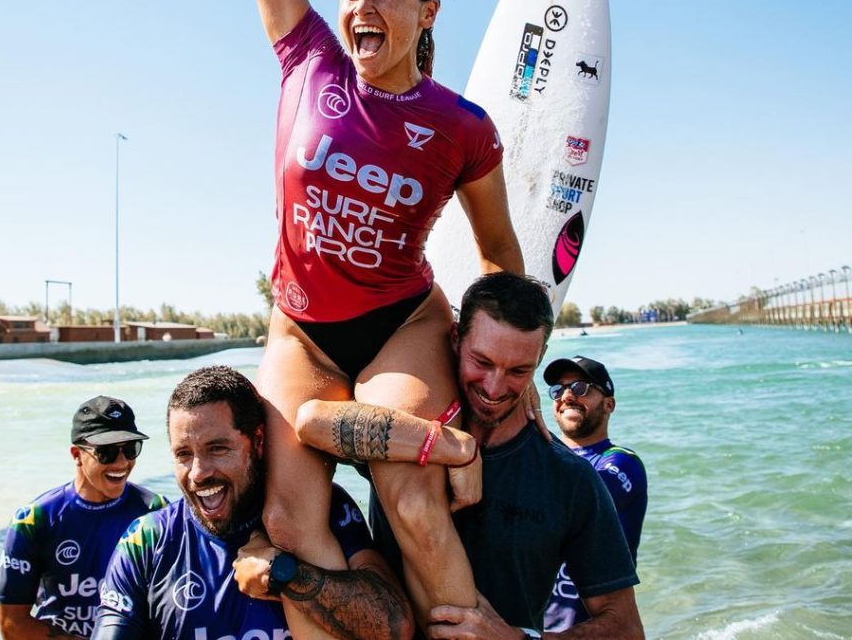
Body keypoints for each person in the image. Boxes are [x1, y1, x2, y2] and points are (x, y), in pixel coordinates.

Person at [212, 0, 524, 632]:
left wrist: (510, 375)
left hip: (400, 323)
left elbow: (499, 256)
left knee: (412, 498)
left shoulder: (460, 125)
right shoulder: (306, 60)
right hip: (302, 327)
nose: (360, 7)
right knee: (287, 523)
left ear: (427, 12)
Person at [295, 272, 644, 639]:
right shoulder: (406, 435)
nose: (494, 387)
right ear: (456, 338)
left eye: (518, 371)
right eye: (482, 362)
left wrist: (518, 639)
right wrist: (449, 447)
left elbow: (626, 627)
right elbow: (311, 422)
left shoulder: (570, 479)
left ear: (539, 361)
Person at [91, 366, 413, 640]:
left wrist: (284, 575)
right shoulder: (146, 541)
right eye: (184, 455)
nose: (198, 474)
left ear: (258, 442)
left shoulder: (321, 506)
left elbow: (395, 625)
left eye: (217, 449)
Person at [0, 396, 167, 639]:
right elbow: (12, 625)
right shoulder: (34, 521)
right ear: (76, 454)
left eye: (130, 449)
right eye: (106, 452)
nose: (122, 462)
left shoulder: (155, 512)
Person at [542, 355, 648, 632]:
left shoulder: (621, 461)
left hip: (595, 628)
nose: (566, 396)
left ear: (609, 404)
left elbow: (590, 492)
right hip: (537, 625)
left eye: (580, 388)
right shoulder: (540, 457)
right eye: (558, 390)